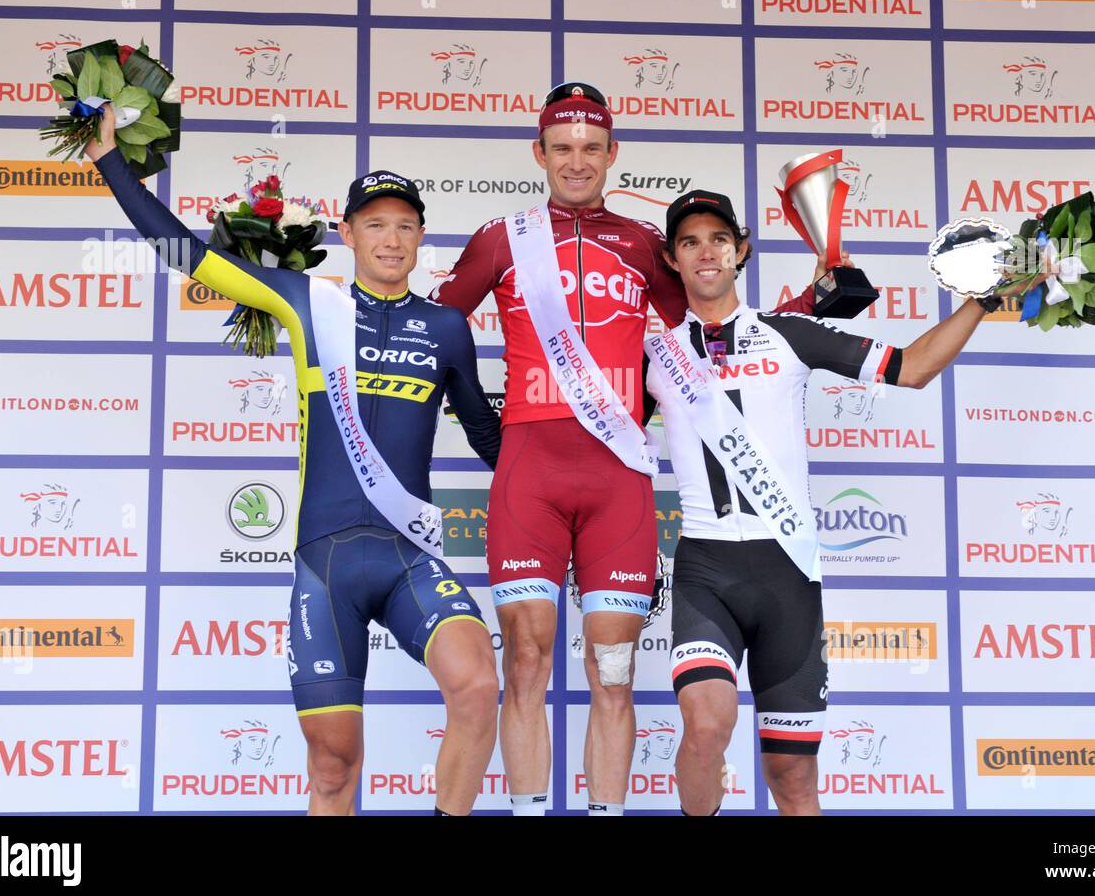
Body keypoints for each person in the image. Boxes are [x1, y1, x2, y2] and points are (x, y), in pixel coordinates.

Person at [84, 108, 502, 816]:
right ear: (347, 234)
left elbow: (492, 441)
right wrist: (109, 163)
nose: (391, 238)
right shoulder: (308, 302)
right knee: (334, 767)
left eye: (405, 224)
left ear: (422, 235)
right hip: (326, 563)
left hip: (407, 558)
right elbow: (185, 254)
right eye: (374, 224)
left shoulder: (446, 328)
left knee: (477, 685)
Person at [430, 83, 818, 816]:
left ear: (613, 154)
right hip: (529, 474)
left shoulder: (644, 243)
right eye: (563, 149)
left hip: (619, 477)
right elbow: (439, 336)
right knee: (526, 660)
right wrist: (483, 424)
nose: (577, 163)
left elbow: (709, 339)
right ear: (539, 153)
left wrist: (809, 309)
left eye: (591, 149)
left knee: (613, 671)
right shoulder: (500, 238)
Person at [646, 190, 1047, 816]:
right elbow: (597, 436)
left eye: (719, 239)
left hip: (789, 577)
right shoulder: (653, 354)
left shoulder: (789, 334)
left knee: (793, 779)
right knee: (705, 726)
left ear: (741, 250)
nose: (706, 251)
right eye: (690, 241)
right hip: (707, 572)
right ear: (671, 260)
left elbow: (911, 369)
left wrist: (984, 300)